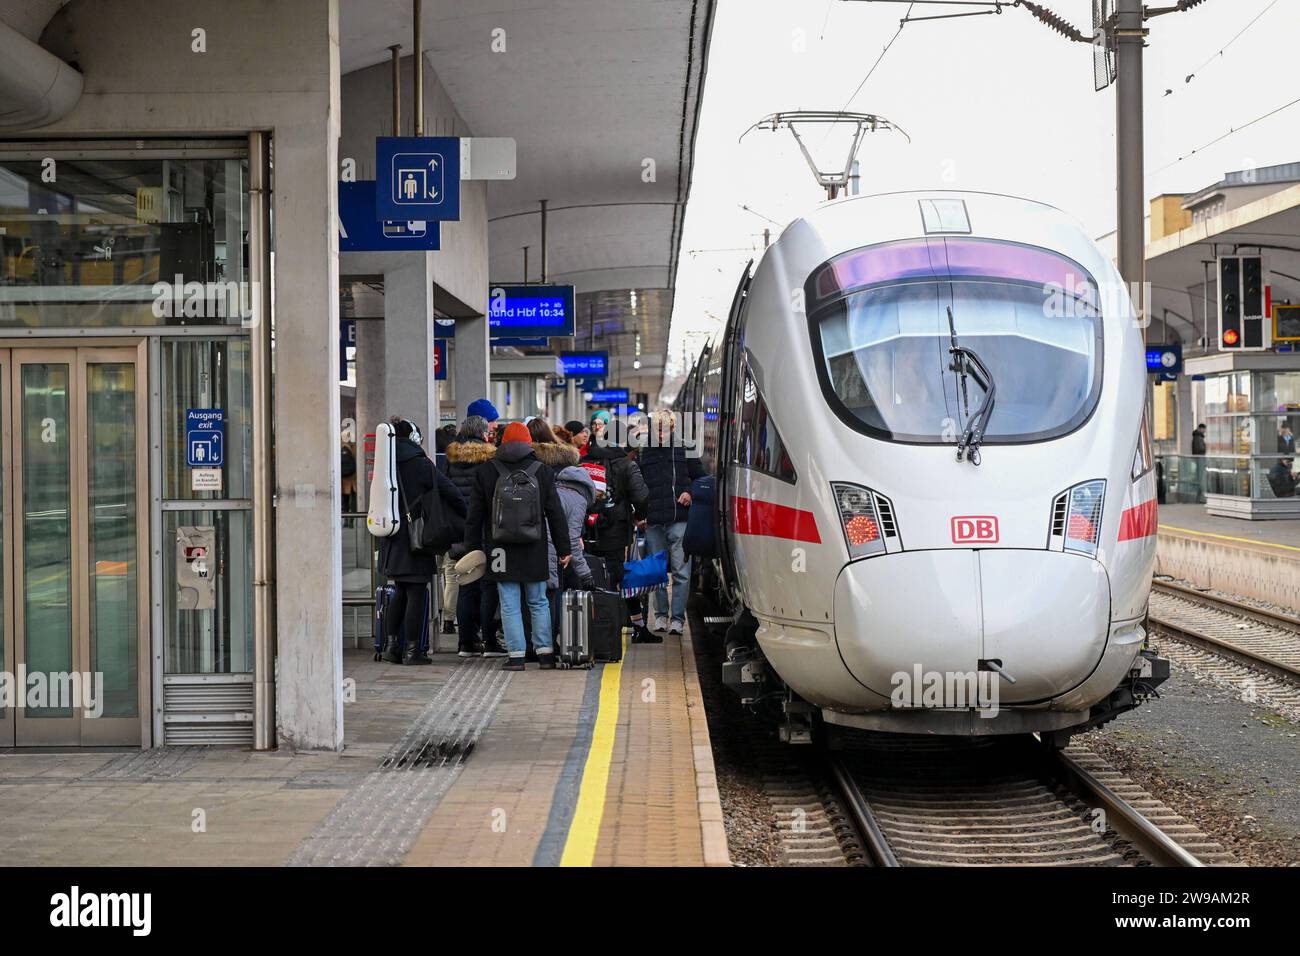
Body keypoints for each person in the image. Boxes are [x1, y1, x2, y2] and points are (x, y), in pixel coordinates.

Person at [462, 421, 571, 671]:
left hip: (499, 548)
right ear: (528, 443)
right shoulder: (542, 471)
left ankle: (516, 656)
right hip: (534, 545)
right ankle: (545, 654)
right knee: (538, 601)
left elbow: (474, 516)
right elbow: (555, 513)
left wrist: (472, 550)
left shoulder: (486, 471)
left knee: (509, 603)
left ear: (502, 442)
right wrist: (564, 549)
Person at [378, 417, 467, 666]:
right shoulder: (420, 463)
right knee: (416, 593)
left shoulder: (386, 462)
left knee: (399, 591)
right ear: (414, 438)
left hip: (392, 538)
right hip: (417, 537)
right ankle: (412, 650)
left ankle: (391, 647)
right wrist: (466, 515)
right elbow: (450, 491)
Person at [580, 417, 652, 639]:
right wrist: (638, 517)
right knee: (619, 575)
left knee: (589, 575)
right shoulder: (626, 464)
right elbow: (642, 497)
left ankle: (587, 628)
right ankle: (632, 627)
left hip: (586, 529)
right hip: (616, 530)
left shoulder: (582, 463)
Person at [636, 409, 704, 635]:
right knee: (657, 572)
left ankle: (677, 620)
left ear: (673, 428)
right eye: (658, 430)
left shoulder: (685, 448)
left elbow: (701, 478)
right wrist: (639, 514)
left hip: (679, 519)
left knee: (681, 572)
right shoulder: (644, 451)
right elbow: (637, 484)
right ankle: (660, 616)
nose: (661, 435)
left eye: (665, 430)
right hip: (653, 520)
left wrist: (690, 492)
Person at [445, 415, 506, 658]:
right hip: (486, 530)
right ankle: (490, 641)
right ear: (482, 433)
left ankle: (466, 642)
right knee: (488, 585)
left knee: (466, 584)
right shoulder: (490, 459)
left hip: (459, 530)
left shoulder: (451, 458)